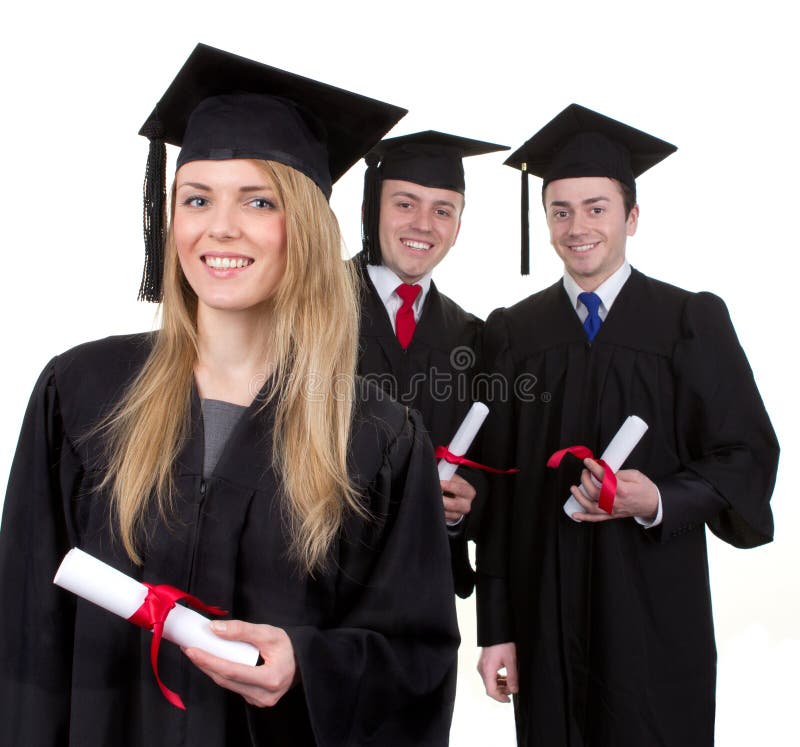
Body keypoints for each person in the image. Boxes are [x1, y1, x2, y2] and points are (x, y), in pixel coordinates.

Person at [0, 43, 460, 746]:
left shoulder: (375, 434)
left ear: (302, 229)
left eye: (258, 199)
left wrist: (307, 662)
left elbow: (418, 659)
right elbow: (23, 630)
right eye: (197, 198)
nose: (220, 226)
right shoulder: (81, 394)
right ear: (171, 218)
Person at [475, 104, 779, 746]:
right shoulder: (515, 334)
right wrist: (496, 626)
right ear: (545, 220)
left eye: (596, 208)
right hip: (543, 613)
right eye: (560, 210)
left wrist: (661, 499)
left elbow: (745, 453)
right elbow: (498, 491)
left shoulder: (687, 321)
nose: (577, 226)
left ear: (631, 217)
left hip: (652, 607)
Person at [354, 131, 508, 597]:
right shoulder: (308, 308)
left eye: (443, 210)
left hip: (425, 599)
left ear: (457, 228)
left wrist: (467, 505)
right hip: (313, 593)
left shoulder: (473, 337)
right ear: (370, 211)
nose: (424, 224)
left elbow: (492, 468)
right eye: (405, 204)